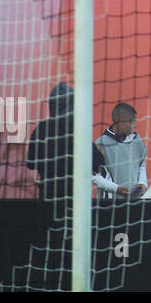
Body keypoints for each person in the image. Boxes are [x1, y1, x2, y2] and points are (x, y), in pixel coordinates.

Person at [26, 82, 105, 213]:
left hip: (48, 197)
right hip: (76, 199)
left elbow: (31, 163)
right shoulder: (78, 130)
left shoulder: (41, 129)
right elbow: (98, 163)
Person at [93, 102, 148, 200]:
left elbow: (141, 164)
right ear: (119, 122)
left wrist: (143, 183)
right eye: (131, 122)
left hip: (134, 201)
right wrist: (116, 188)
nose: (134, 126)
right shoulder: (100, 144)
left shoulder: (136, 139)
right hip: (109, 203)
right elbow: (93, 176)